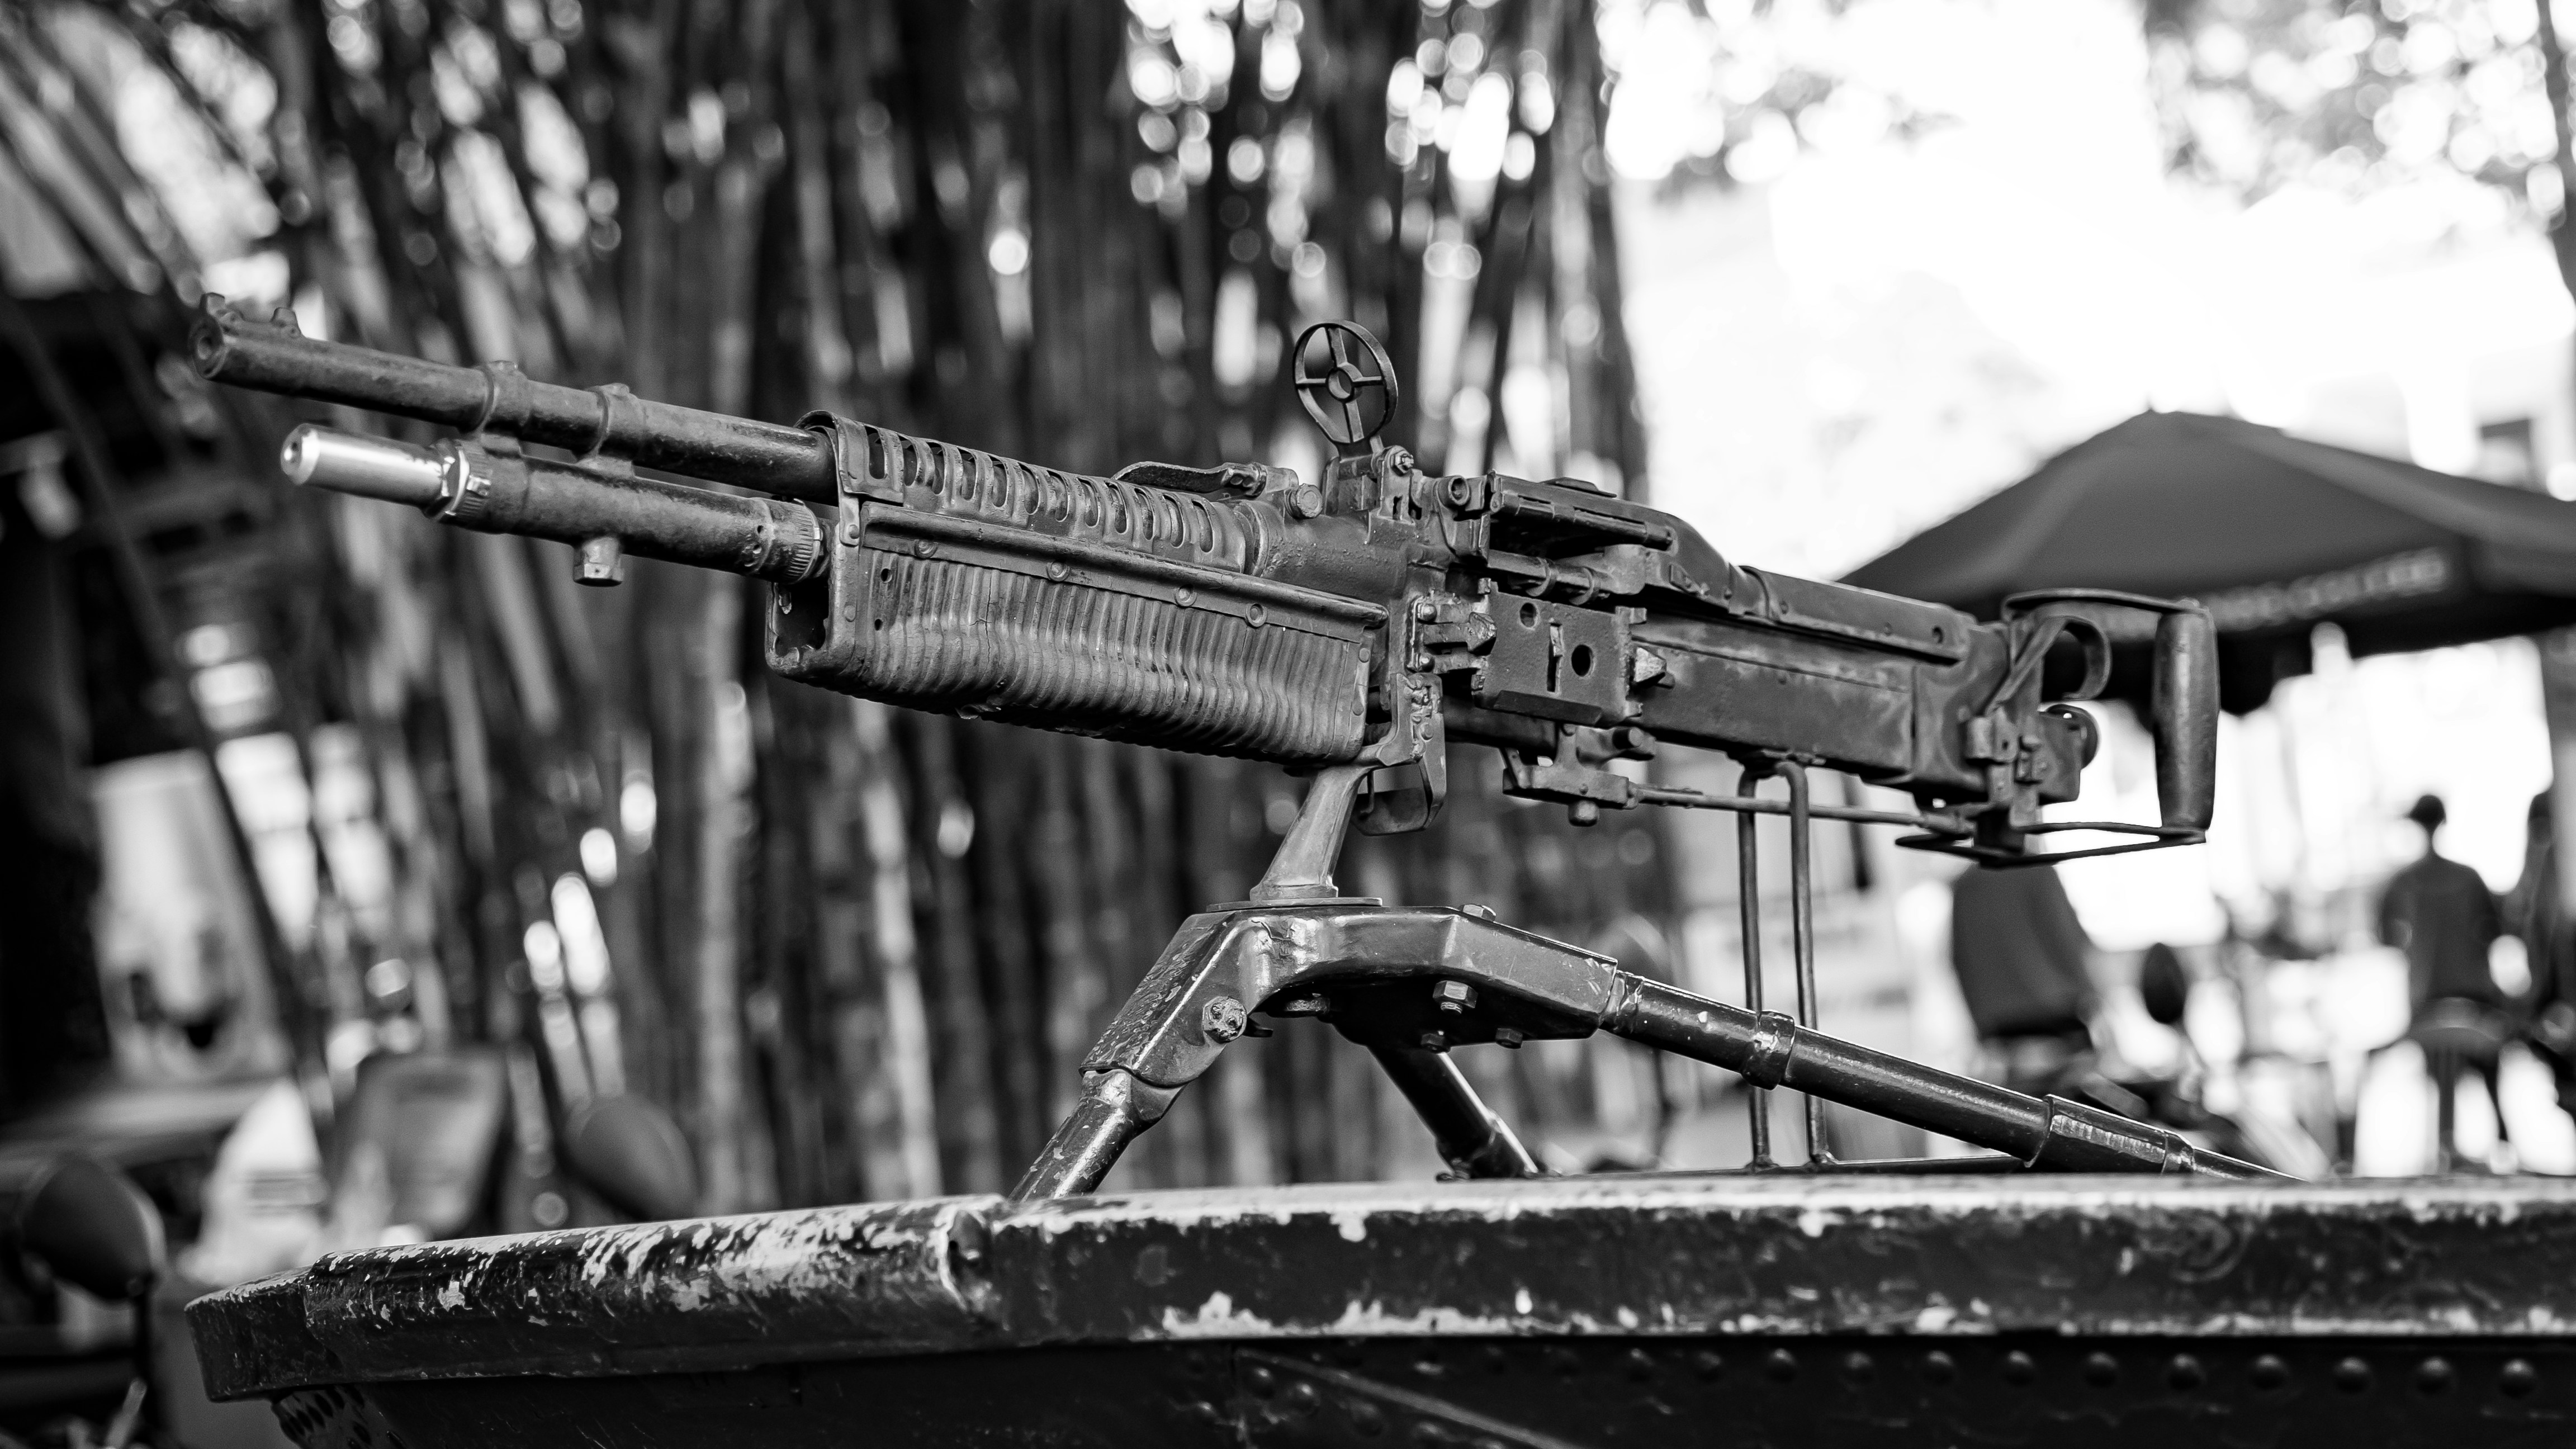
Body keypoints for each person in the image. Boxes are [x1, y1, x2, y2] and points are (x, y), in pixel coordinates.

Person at [2378, 793, 2508, 1169]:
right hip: (2474, 995)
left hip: (2428, 997)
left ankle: (2450, 1150)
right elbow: (2494, 930)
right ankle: (2501, 1143)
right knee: (2489, 1078)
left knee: (2443, 1088)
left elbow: (2386, 936)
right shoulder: (2468, 878)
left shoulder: (2403, 882)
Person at [1949, 863, 2097, 1096]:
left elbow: (1960, 959)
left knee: (2021, 1114)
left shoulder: (1965, 885)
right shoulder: (2039, 871)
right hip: (2055, 1019)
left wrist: (1981, 1030)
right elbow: (2066, 941)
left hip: (2000, 1028)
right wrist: (2094, 1001)